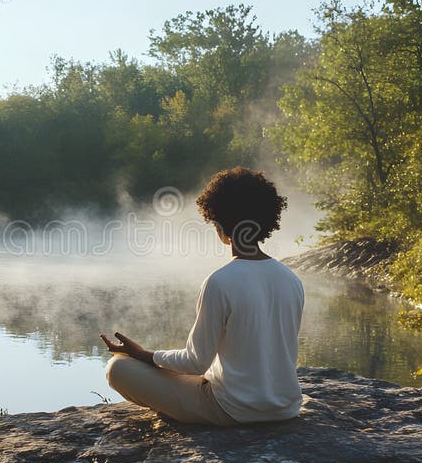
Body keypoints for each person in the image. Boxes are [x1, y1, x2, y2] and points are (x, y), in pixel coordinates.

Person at [101, 167, 304, 425]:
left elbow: (195, 362)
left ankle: (179, 409)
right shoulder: (291, 280)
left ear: (220, 227)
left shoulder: (220, 282)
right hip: (286, 408)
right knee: (191, 374)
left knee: (117, 368)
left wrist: (144, 355)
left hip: (232, 410)